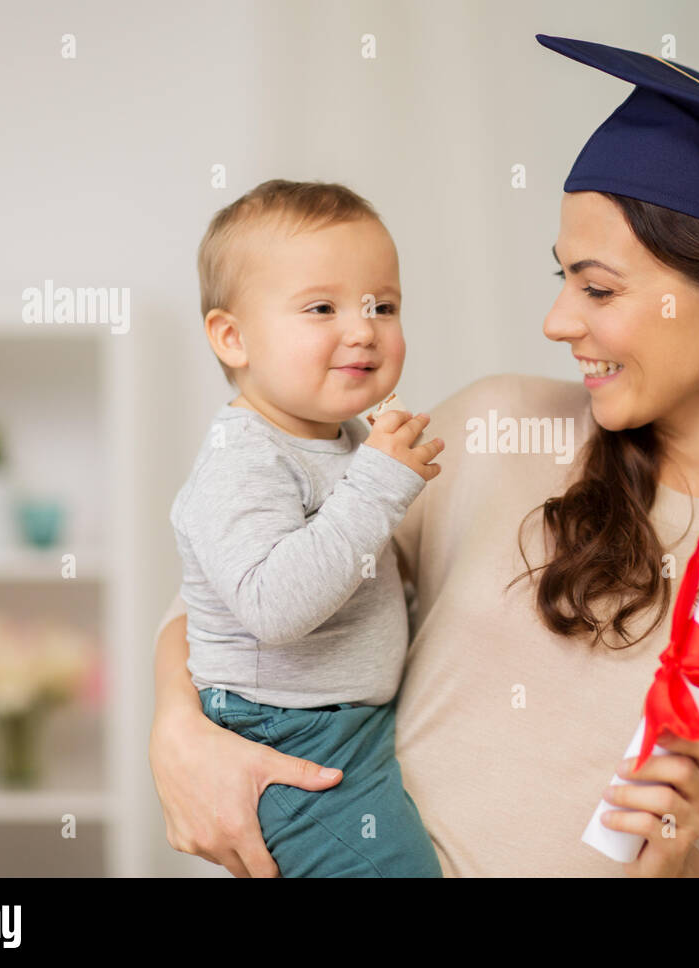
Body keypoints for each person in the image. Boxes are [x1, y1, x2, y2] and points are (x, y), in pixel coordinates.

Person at [149, 34, 699, 877]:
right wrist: (177, 729)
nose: (558, 321)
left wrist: (684, 866)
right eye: (563, 276)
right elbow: (236, 598)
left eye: (599, 289)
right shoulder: (497, 432)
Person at [169, 179, 445, 876]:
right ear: (233, 338)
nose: (363, 329)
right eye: (321, 307)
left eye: (382, 305)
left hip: (344, 721)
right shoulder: (242, 458)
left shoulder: (345, 437)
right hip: (286, 730)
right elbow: (274, 606)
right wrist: (381, 484)